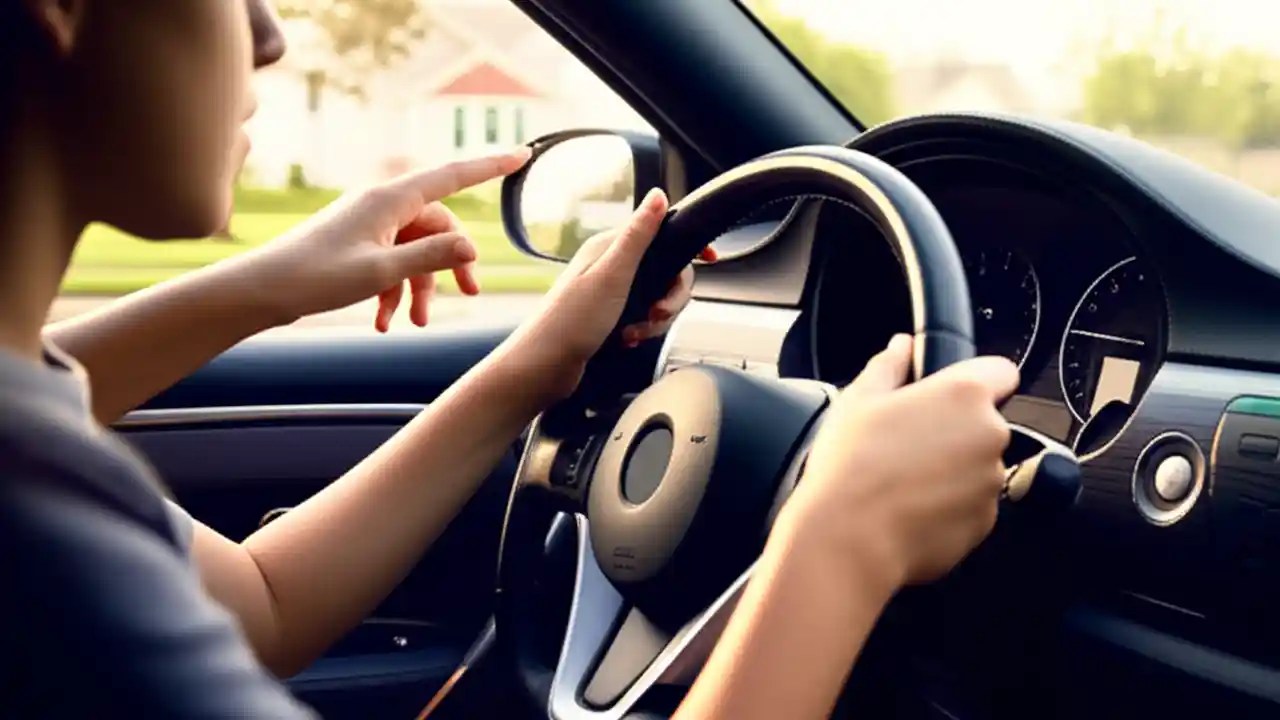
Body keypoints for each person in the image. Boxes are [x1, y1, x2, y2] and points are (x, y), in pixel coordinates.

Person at [0, 0, 1016, 717]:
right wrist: (841, 541)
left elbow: (255, 609)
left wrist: (531, 365)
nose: (266, 36)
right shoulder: (37, 511)